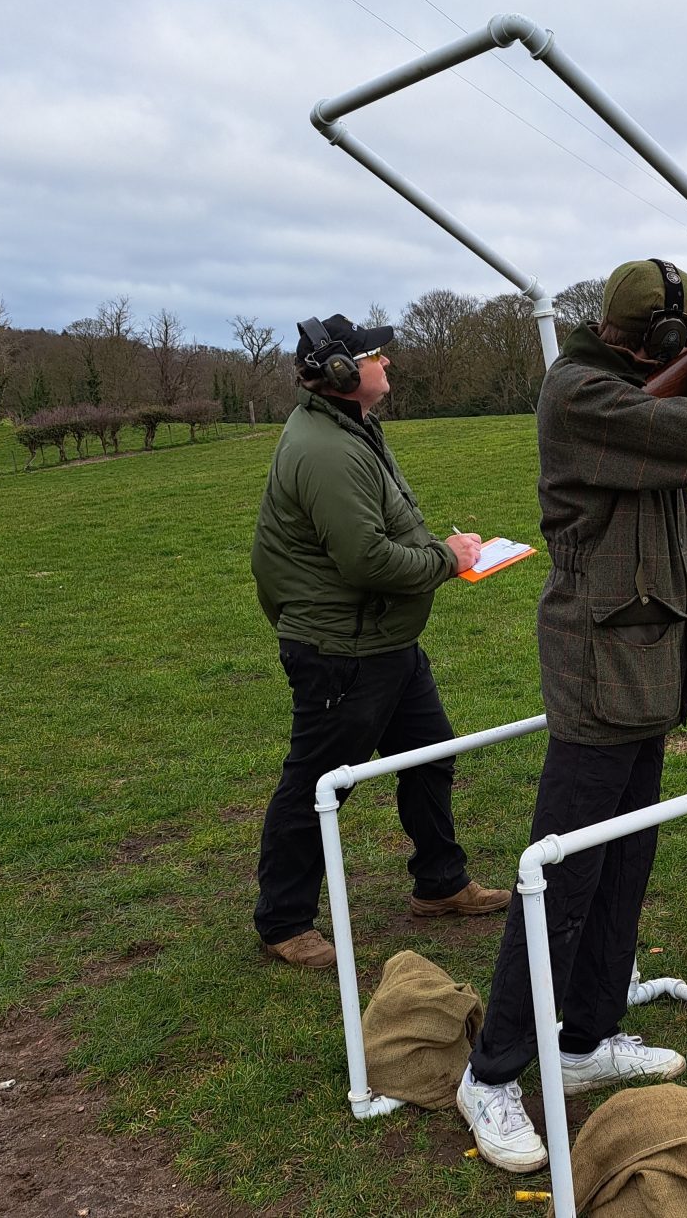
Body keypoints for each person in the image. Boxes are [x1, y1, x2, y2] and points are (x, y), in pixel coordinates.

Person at [457, 263, 687, 1170]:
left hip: (646, 660)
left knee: (625, 864)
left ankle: (585, 1038)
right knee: (562, 882)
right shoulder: (584, 396)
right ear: (656, 340)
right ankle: (492, 1074)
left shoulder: (624, 386)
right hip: (599, 667)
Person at [250, 313, 510, 969]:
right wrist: (449, 561)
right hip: (343, 650)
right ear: (341, 373)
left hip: (384, 640)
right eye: (376, 356)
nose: (387, 364)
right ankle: (284, 922)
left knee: (429, 755)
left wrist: (442, 550)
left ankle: (441, 886)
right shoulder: (327, 450)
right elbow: (366, 560)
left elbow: (389, 530)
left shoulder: (350, 428)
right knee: (318, 784)